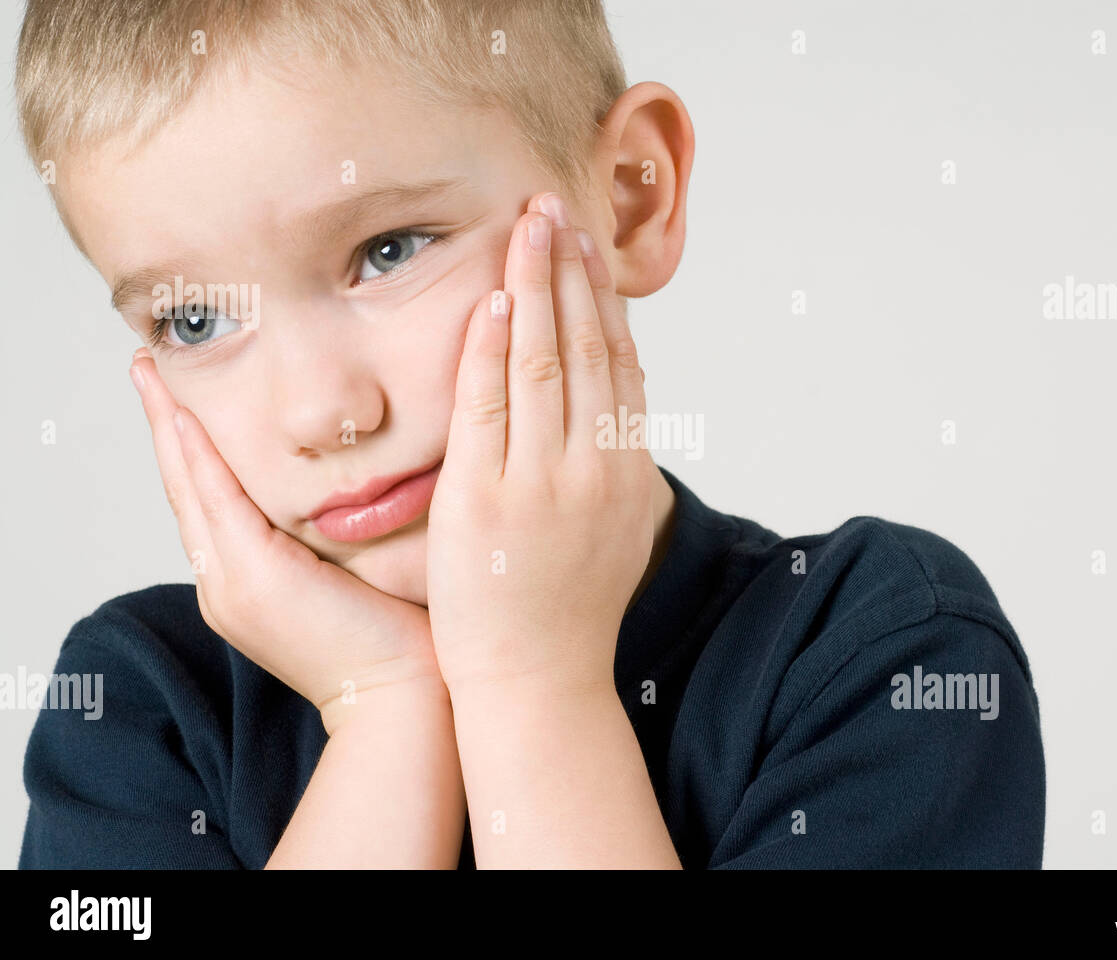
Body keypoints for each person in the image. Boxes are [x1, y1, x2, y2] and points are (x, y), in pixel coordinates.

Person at [15, 0, 1045, 868]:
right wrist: (381, 713)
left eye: (387, 250)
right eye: (194, 320)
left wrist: (533, 680)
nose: (321, 413)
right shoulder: (139, 708)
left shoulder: (881, 650)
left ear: (631, 198)